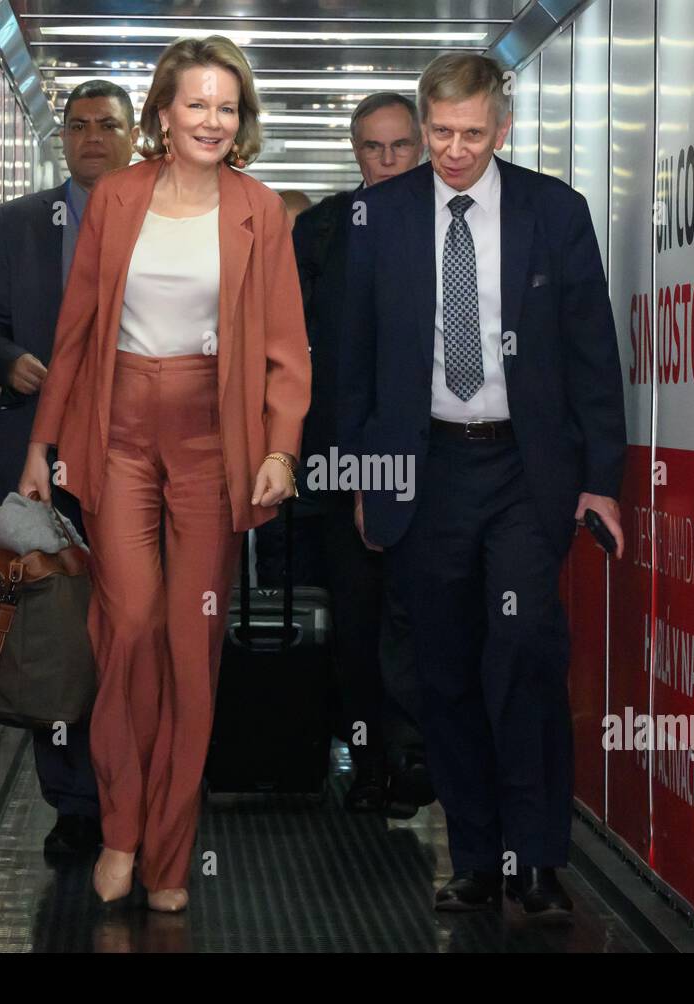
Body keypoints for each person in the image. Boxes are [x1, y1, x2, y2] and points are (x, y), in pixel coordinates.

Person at [19, 35, 310, 913]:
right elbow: (75, 330)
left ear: (240, 119)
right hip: (115, 430)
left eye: (227, 106)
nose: (213, 120)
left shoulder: (261, 211)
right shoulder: (117, 197)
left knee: (193, 648)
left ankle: (170, 854)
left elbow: (286, 348)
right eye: (197, 104)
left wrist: (280, 447)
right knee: (130, 625)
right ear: (163, 113)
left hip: (210, 436)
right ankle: (119, 827)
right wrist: (41, 444)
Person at [338, 53, 627, 920]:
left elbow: (592, 354)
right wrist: (360, 469)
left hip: (525, 472)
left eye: (471, 133)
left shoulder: (553, 212)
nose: (454, 150)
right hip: (426, 471)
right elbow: (354, 359)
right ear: (422, 126)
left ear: (503, 128)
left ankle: (535, 860)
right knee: (446, 669)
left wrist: (601, 479)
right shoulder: (377, 217)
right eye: (439, 133)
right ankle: (472, 858)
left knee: (526, 654)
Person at [0, 78, 139, 861]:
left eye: (108, 124)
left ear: (134, 134)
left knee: (130, 628)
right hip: (39, 454)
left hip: (139, 455)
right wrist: (11, 363)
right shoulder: (18, 223)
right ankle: (74, 805)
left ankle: (134, 798)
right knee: (54, 632)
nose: (93, 137)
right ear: (63, 136)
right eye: (79, 125)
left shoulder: (159, 217)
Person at [289, 92, 430, 815]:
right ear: (354, 150)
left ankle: (419, 758)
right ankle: (375, 761)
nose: (386, 160)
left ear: (423, 145)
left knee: (427, 615)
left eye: (399, 146)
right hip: (346, 457)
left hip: (437, 459)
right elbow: (299, 350)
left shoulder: (456, 223)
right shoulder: (319, 231)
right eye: (373, 147)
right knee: (359, 616)